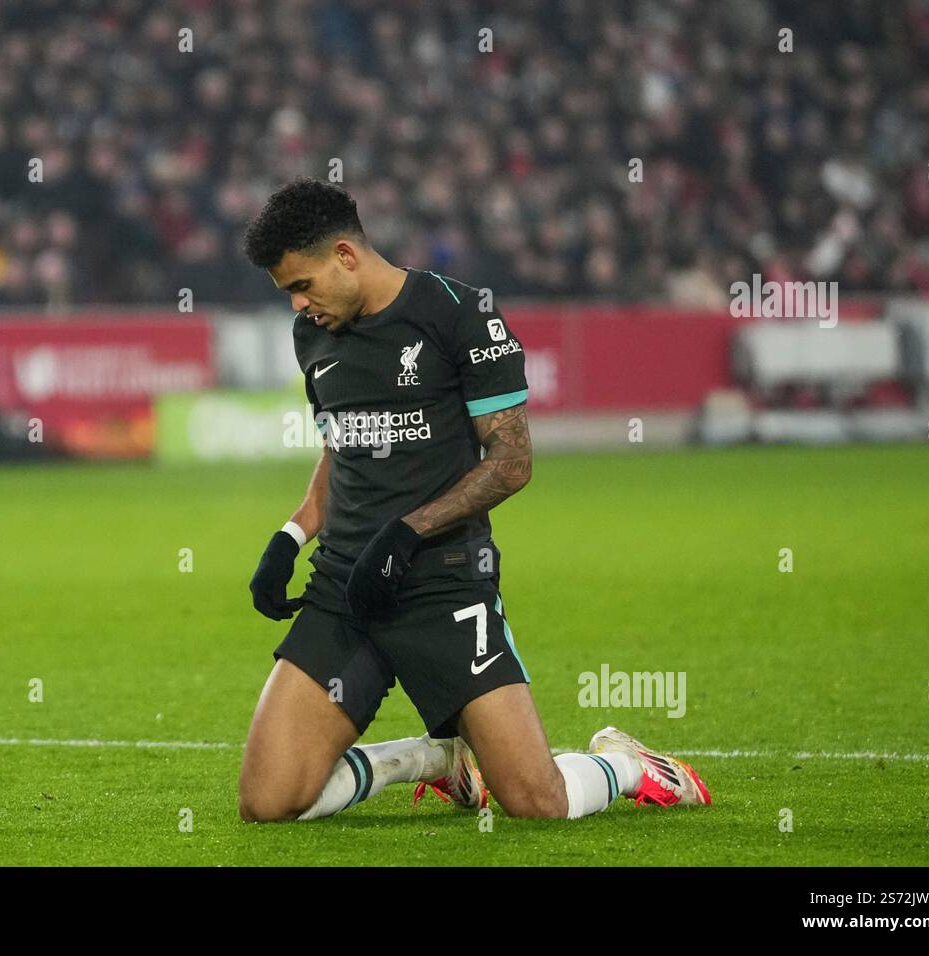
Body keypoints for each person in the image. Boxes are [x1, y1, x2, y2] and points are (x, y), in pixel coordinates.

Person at [237, 178, 710, 821]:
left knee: (535, 803)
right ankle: (425, 759)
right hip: (346, 591)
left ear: (345, 255)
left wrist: (405, 534)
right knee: (268, 802)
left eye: (302, 284)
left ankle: (626, 764)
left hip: (445, 587)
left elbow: (511, 463)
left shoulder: (456, 313)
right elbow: (340, 448)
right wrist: (291, 536)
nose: (297, 305)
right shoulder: (314, 337)